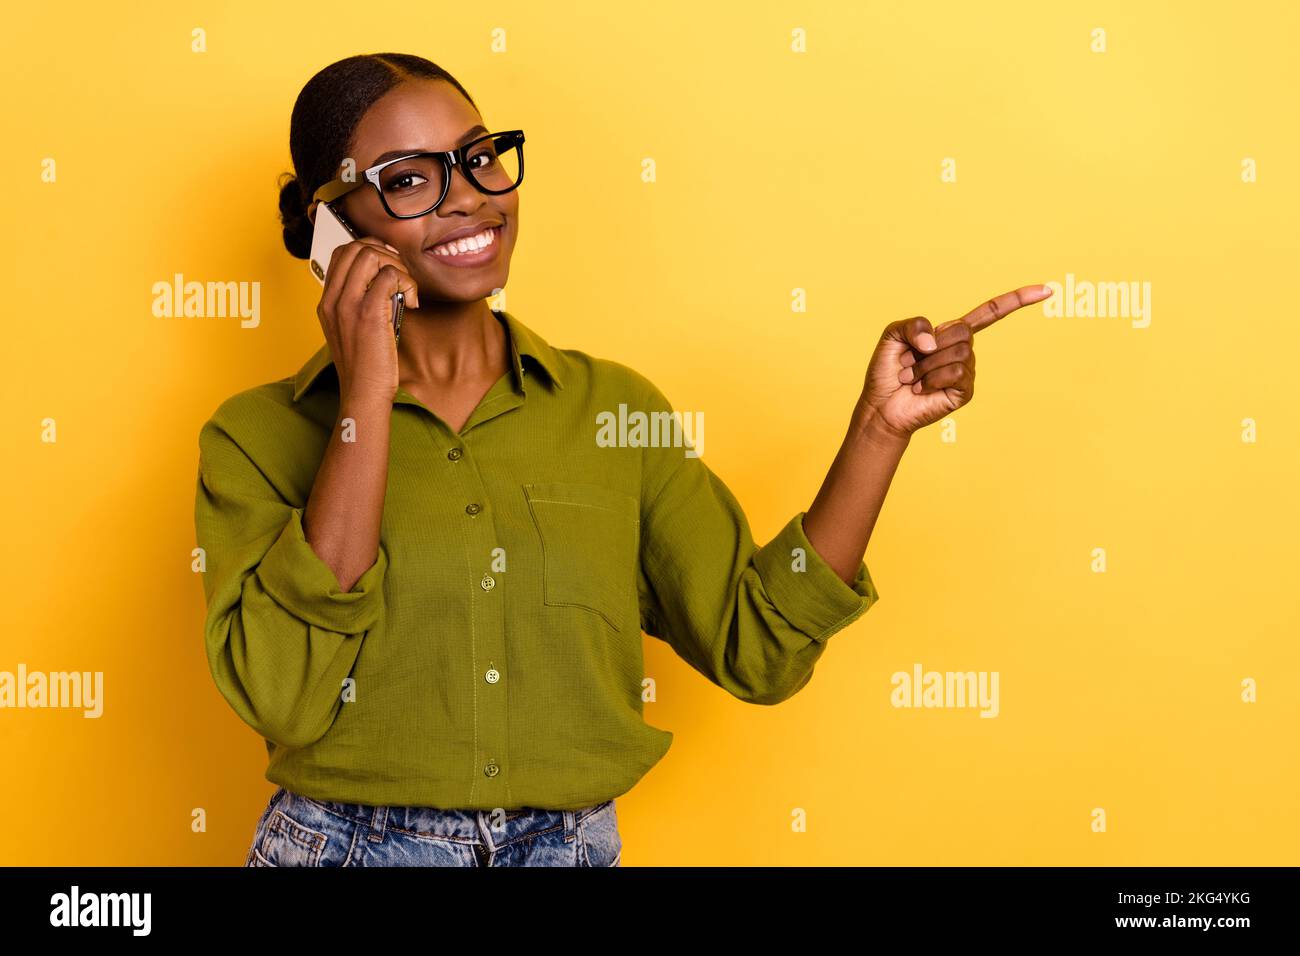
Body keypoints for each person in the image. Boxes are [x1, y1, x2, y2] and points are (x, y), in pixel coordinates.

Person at [194, 52, 1051, 867]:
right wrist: (365, 398)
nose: (470, 199)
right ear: (330, 223)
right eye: (411, 179)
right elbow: (284, 697)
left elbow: (756, 646)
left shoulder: (615, 412)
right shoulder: (256, 437)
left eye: (481, 157)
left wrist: (878, 429)